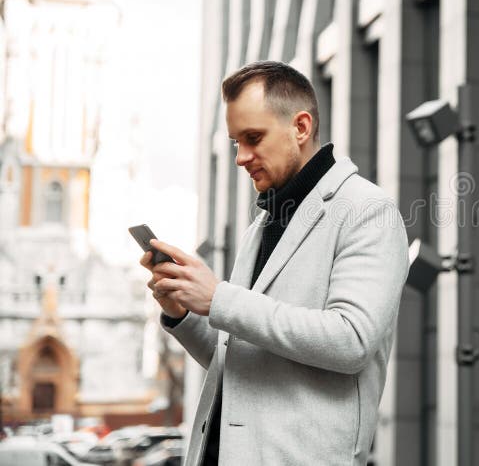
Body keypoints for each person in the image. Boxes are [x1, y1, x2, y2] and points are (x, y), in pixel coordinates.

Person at [138, 61, 409, 466]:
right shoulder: (263, 223)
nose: (240, 157)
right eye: (235, 141)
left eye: (253, 138)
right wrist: (180, 311)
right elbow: (241, 353)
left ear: (300, 127)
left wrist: (218, 300)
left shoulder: (368, 210)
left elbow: (352, 340)